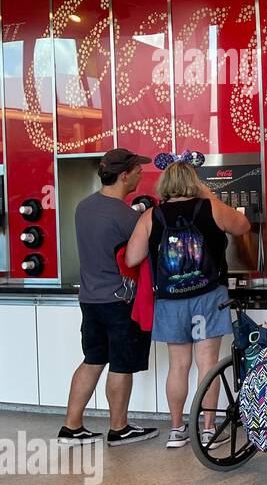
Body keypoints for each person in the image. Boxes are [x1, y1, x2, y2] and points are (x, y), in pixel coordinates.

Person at [125, 157, 251, 449]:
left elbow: (132, 258)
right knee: (207, 363)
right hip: (208, 295)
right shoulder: (211, 207)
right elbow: (243, 226)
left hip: (170, 300)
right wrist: (208, 195)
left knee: (178, 365)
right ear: (195, 183)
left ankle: (177, 429)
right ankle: (207, 429)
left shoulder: (151, 217)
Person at [57, 149, 158, 448]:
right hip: (120, 301)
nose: (141, 173)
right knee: (121, 364)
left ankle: (71, 427)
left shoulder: (83, 207)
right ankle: (119, 428)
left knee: (92, 359)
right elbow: (140, 256)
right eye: (137, 169)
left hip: (89, 299)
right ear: (124, 175)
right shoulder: (127, 217)